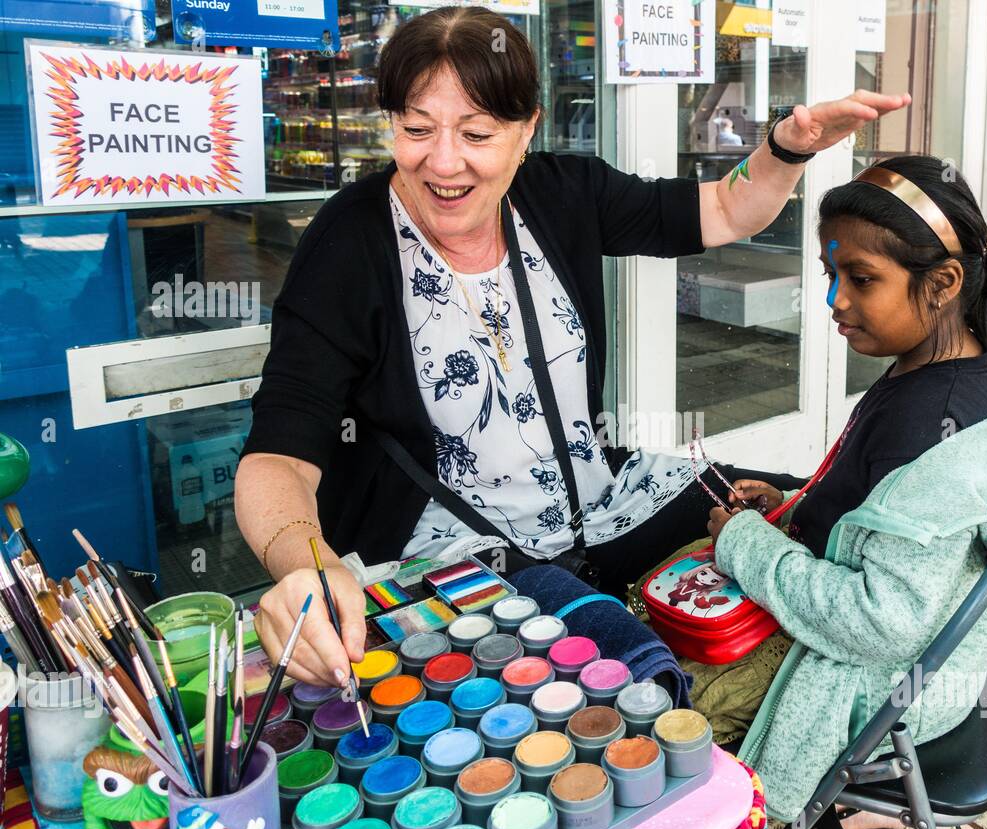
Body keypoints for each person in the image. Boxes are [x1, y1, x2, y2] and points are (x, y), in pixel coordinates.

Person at [233, 5, 910, 690]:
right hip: (452, 552)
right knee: (621, 682)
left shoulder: (560, 193)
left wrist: (786, 148)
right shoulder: (348, 243)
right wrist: (306, 565)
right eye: (415, 129)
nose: (442, 162)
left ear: (527, 127)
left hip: (599, 501)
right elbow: (279, 454)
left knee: (802, 516)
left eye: (476, 133)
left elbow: (723, 209)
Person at [681, 154, 987, 829]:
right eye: (831, 276)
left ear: (942, 283)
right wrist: (796, 503)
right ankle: (864, 809)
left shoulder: (938, 429)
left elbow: (880, 623)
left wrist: (746, 544)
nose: (835, 303)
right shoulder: (935, 369)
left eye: (861, 280)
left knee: (654, 696)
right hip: (902, 644)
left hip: (873, 679)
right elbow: (870, 503)